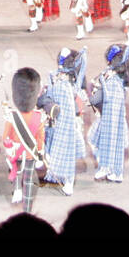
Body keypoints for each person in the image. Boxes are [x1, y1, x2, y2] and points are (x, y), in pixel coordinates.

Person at [40, 49, 88, 195]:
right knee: (52, 150)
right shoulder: (58, 80)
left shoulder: (70, 86)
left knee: (67, 154)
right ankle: (60, 175)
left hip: (69, 125)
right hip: (57, 123)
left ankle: (69, 182)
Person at [3, 67, 45, 207]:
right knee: (28, 178)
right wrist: (39, 151)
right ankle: (27, 206)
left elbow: (5, 138)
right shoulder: (39, 117)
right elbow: (40, 141)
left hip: (15, 152)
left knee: (15, 172)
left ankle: (16, 191)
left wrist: (9, 148)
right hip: (30, 153)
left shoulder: (12, 116)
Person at [88, 44, 129, 182]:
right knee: (116, 144)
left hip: (107, 117)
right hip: (119, 118)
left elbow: (96, 99)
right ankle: (116, 173)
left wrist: (92, 92)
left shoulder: (109, 79)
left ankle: (105, 167)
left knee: (96, 139)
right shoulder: (121, 77)